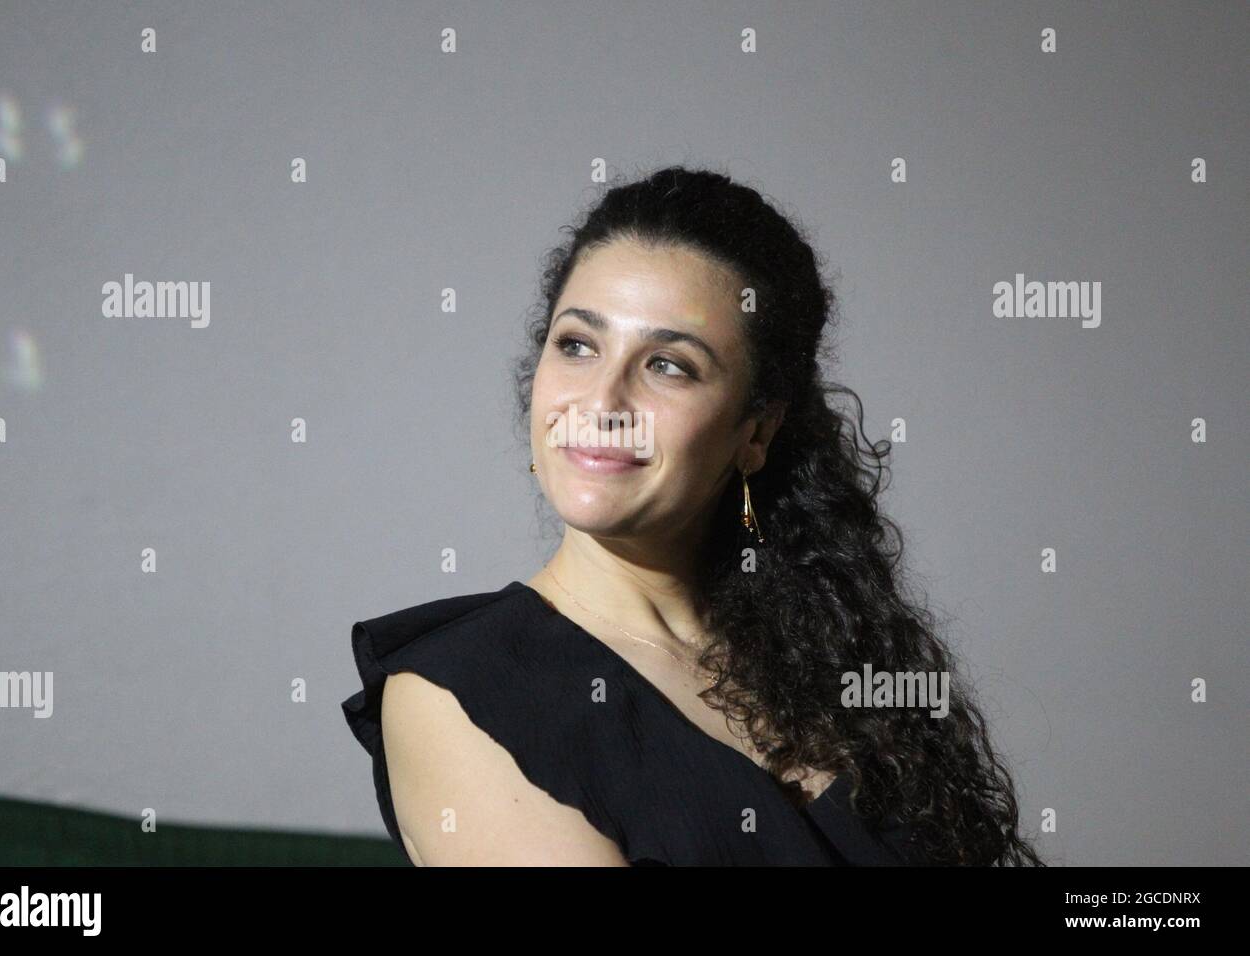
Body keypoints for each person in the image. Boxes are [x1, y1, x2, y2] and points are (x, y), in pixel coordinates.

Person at [341, 165, 1044, 866]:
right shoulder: (461, 693)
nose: (602, 401)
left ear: (755, 435)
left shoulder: (823, 662)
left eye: (669, 365)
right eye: (578, 345)